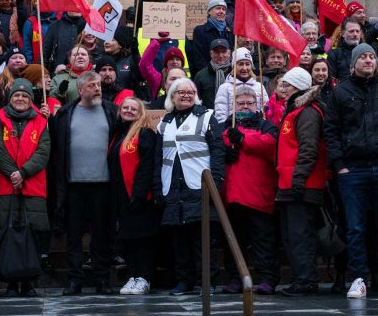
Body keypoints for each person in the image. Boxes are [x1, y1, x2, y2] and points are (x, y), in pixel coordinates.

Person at [324, 43, 378, 299]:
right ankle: (358, 278)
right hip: (353, 170)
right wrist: (339, 165)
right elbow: (331, 131)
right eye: (362, 57)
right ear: (353, 64)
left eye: (371, 56)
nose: (368, 60)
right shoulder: (340, 92)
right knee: (355, 228)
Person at [156, 78, 226, 295]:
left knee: (201, 239)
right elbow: (158, 157)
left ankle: (206, 281)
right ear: (172, 96)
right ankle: (184, 281)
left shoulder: (207, 117)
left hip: (199, 186)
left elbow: (218, 151)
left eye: (190, 92)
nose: (186, 95)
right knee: (179, 239)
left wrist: (216, 181)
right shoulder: (164, 122)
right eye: (181, 92)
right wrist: (157, 186)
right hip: (172, 186)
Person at [50, 71, 119, 295]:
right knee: (73, 235)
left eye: (98, 85)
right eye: (91, 85)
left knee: (101, 234)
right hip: (73, 184)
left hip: (104, 183)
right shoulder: (65, 113)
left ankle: (102, 278)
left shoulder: (112, 110)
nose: (97, 88)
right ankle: (74, 280)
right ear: (80, 90)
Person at [0, 78, 51, 297]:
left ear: (31, 99)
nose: (21, 98)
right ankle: (11, 283)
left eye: (25, 96)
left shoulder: (41, 120)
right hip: (6, 186)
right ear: (10, 98)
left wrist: (23, 173)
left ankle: (29, 282)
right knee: (7, 230)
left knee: (33, 233)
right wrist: (13, 174)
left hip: (33, 185)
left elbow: (43, 151)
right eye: (17, 95)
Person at [219, 87, 280, 295]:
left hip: (260, 193)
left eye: (249, 103)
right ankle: (235, 279)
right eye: (241, 103)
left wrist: (243, 140)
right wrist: (224, 151)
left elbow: (271, 145)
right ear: (233, 106)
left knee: (263, 241)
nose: (245, 107)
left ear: (257, 105)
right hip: (233, 194)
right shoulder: (225, 127)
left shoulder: (266, 125)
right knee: (234, 241)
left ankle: (267, 278)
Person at [274, 68, 326, 296]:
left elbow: (308, 148)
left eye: (287, 85)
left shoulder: (308, 112)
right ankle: (300, 278)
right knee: (292, 235)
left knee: (301, 235)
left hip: (303, 184)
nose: (283, 89)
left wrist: (299, 178)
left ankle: (306, 281)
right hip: (291, 183)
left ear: (298, 87)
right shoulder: (296, 111)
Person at [109, 96, 160, 295]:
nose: (129, 111)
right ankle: (132, 276)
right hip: (122, 197)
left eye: (133, 109)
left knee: (143, 239)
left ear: (140, 113)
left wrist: (139, 194)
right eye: (125, 108)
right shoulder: (118, 134)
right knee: (129, 239)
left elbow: (147, 166)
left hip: (140, 197)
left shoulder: (145, 133)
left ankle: (144, 277)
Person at [214, 48, 268, 124]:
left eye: (247, 64)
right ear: (234, 66)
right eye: (240, 64)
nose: (244, 68)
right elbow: (221, 115)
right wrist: (227, 129)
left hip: (256, 129)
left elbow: (266, 112)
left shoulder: (259, 87)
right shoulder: (224, 88)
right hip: (232, 129)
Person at [187, 0, 234, 76]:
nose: (221, 11)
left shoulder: (230, 32)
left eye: (223, 9)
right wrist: (208, 75)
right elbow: (198, 57)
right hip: (207, 75)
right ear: (209, 11)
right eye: (218, 8)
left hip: (227, 75)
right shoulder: (200, 31)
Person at [193, 38, 232, 109]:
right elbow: (196, 99)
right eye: (217, 52)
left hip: (231, 114)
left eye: (224, 52)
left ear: (229, 53)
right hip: (207, 114)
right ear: (211, 54)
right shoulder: (201, 75)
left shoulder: (235, 73)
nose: (220, 55)